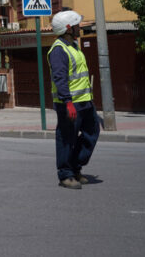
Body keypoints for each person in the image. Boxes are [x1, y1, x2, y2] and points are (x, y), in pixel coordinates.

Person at [48, 10, 100, 190]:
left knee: (92, 133)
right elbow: (60, 78)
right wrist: (67, 102)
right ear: (68, 29)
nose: (80, 27)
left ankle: (75, 166)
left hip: (85, 101)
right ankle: (66, 174)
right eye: (77, 25)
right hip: (69, 104)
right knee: (66, 138)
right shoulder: (58, 50)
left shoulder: (74, 46)